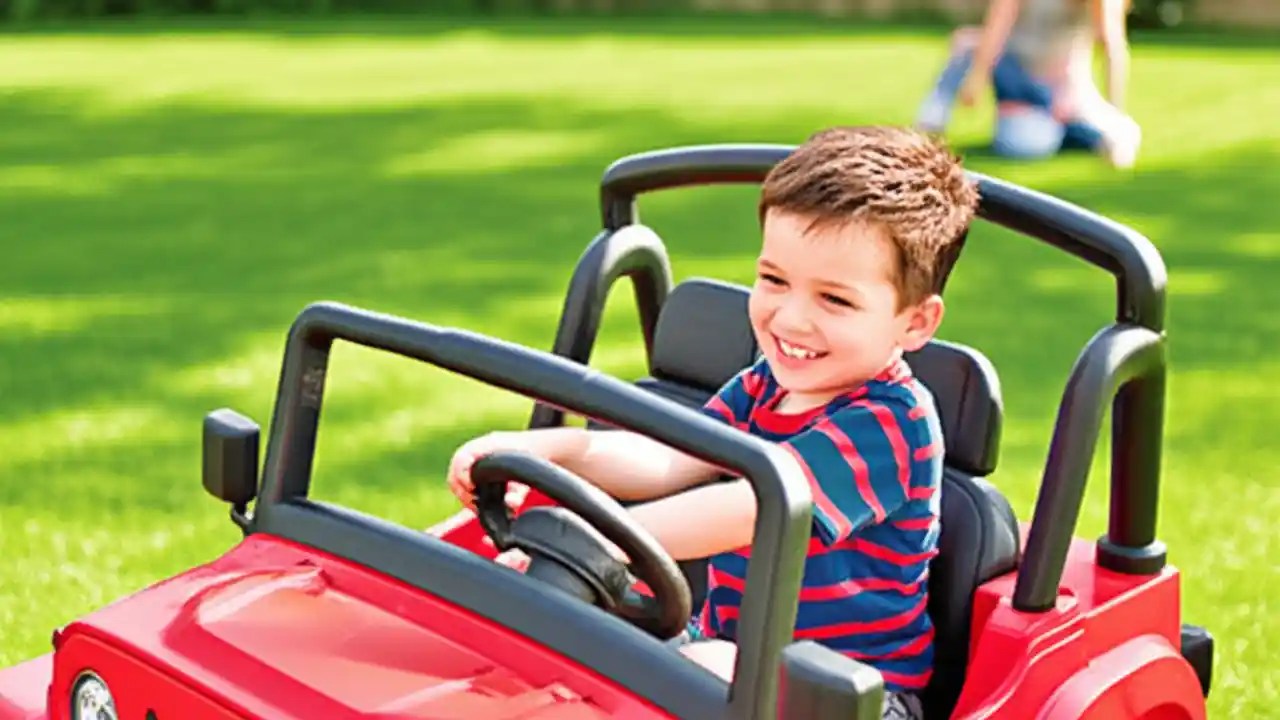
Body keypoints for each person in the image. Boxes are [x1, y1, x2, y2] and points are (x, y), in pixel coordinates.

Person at [447, 126, 980, 720]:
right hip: (726, 653)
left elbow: (757, 512)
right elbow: (668, 458)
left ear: (915, 323)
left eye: (835, 300)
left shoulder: (891, 424)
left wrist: (601, 545)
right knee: (561, 628)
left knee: (695, 672)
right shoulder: (762, 388)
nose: (791, 319)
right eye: (774, 280)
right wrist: (552, 446)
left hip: (851, 695)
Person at [915, 0, 1142, 168]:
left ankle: (1074, 128)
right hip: (1018, 76)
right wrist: (977, 77)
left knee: (1122, 133)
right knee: (966, 43)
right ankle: (930, 124)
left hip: (1065, 86)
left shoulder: (1102, 5)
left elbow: (1111, 47)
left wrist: (1114, 113)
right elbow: (996, 30)